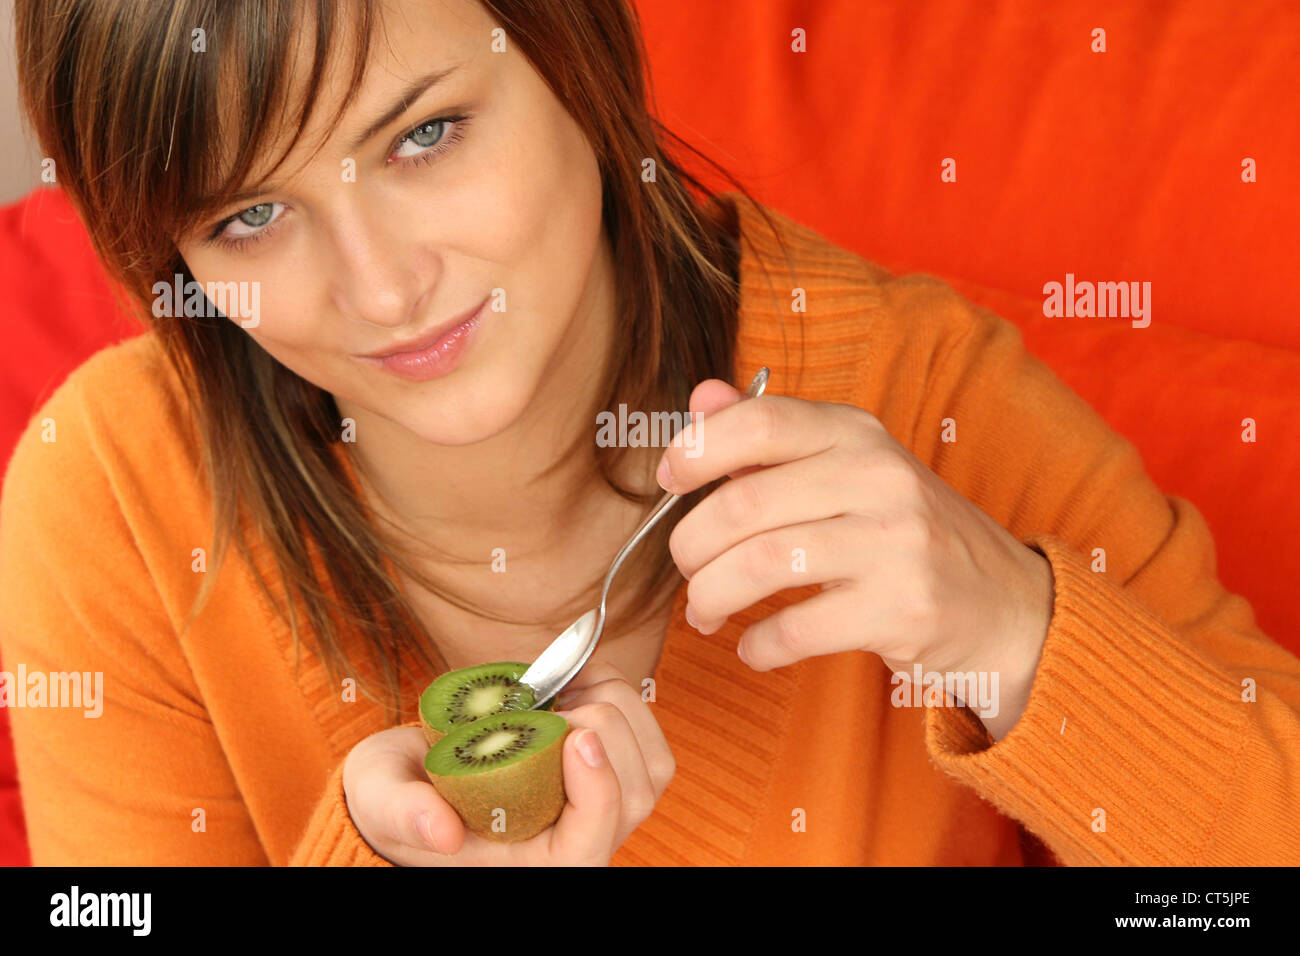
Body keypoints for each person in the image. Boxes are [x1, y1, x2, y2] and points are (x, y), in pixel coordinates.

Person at [2, 0, 1296, 866]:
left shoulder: (929, 396)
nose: (384, 291)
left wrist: (1015, 633)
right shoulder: (109, 507)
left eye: (426, 136)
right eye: (248, 220)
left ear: (578, 58)